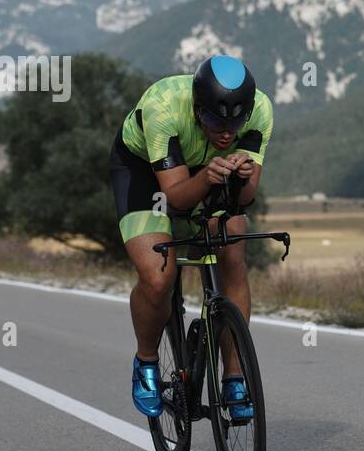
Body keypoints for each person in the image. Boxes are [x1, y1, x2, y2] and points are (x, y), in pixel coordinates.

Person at [108, 55, 273, 421]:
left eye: (235, 121)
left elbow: (246, 198)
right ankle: (146, 361)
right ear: (197, 109)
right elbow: (176, 198)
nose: (227, 132)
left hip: (210, 168)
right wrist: (207, 177)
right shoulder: (163, 105)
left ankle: (234, 375)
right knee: (158, 276)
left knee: (232, 250)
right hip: (144, 175)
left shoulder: (260, 109)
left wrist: (243, 177)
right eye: (215, 119)